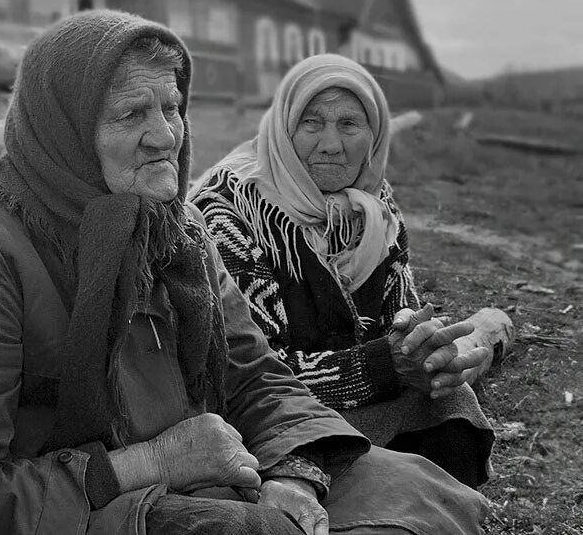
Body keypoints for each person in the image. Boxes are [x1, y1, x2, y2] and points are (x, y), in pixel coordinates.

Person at [0, 10, 488, 534]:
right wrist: (152, 463)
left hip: (211, 475)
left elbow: (254, 376)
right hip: (93, 511)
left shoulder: (177, 234)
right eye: (131, 114)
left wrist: (297, 473)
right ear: (61, 130)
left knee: (420, 490)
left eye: (173, 108)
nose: (166, 136)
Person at [189, 53, 504, 490]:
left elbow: (404, 316)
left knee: (452, 404)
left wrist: (422, 347)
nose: (331, 145)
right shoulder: (229, 214)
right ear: (284, 128)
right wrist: (386, 365)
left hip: (351, 397)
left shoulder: (373, 203)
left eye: (349, 125)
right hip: (269, 417)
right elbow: (254, 375)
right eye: (312, 123)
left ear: (374, 136)